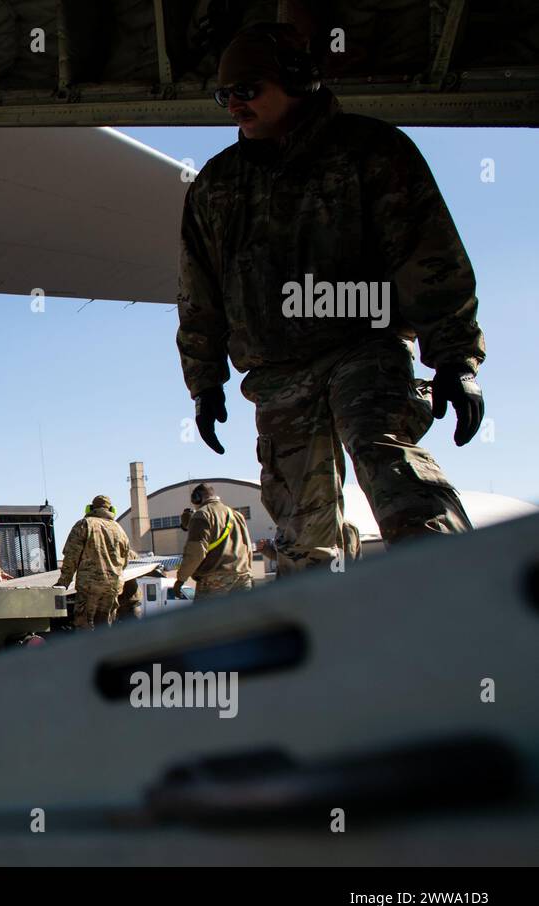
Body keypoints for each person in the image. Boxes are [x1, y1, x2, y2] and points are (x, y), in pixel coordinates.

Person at [176, 22, 484, 576]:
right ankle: (324, 640)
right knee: (300, 535)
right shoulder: (216, 187)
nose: (234, 106)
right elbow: (198, 293)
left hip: (361, 346)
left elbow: (429, 257)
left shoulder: (371, 151)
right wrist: (205, 382)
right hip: (277, 373)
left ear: (296, 79)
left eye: (247, 90)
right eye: (225, 95)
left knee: (389, 464)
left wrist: (456, 356)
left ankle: (460, 594)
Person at [55, 495, 133, 629]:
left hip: (89, 586)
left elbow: (71, 556)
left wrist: (63, 583)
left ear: (90, 508)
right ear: (111, 509)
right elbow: (125, 561)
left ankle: (87, 649)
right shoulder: (120, 530)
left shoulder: (85, 524)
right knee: (104, 626)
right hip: (113, 587)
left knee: (85, 624)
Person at [173, 483, 253, 599]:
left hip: (215, 580)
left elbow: (196, 552)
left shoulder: (202, 514)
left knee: (207, 617)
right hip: (243, 577)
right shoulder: (236, 515)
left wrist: (181, 579)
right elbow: (248, 547)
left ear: (196, 498)